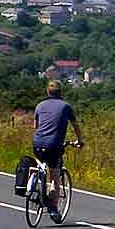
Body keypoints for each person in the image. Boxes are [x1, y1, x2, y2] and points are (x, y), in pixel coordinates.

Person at [32, 81, 83, 219]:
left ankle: (35, 181)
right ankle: (53, 209)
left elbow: (36, 127)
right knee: (55, 177)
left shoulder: (40, 105)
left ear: (47, 92)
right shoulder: (66, 107)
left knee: (41, 163)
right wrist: (80, 140)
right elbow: (75, 125)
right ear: (61, 92)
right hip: (54, 146)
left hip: (37, 143)